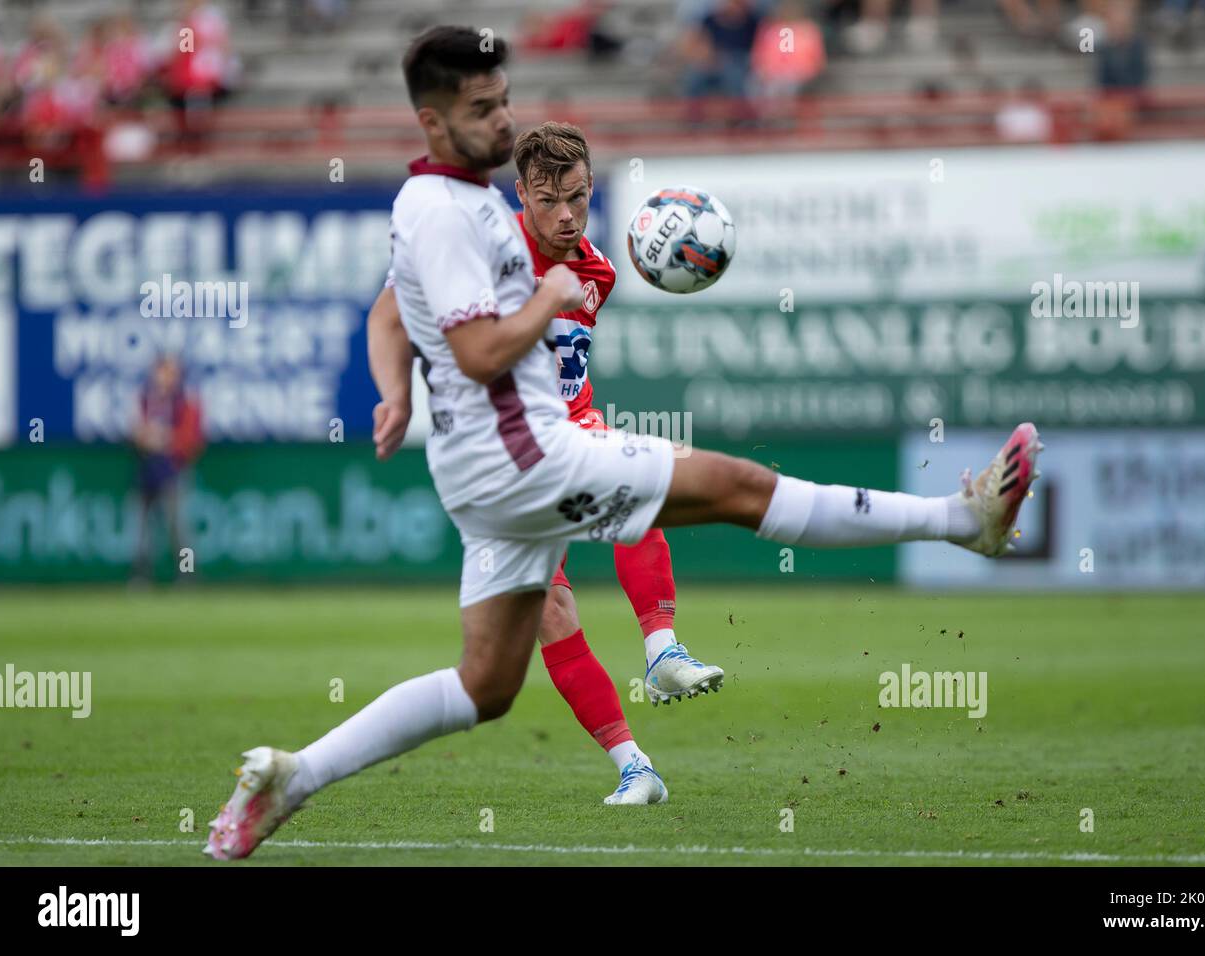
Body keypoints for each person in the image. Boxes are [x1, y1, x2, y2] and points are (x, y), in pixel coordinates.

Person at [205, 26, 1041, 861]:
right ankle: (962, 521)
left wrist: (393, 393)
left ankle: (294, 775)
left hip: (483, 472)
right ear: (431, 120)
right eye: (480, 109)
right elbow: (476, 350)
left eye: (504, 102)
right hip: (525, 454)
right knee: (737, 487)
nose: (502, 122)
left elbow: (389, 314)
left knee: (486, 686)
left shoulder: (453, 205)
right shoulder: (451, 218)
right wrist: (546, 299)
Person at [367, 120, 722, 807]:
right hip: (501, 452)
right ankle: (634, 767)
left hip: (570, 426)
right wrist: (396, 394)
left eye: (580, 198)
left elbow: (567, 372)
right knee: (552, 612)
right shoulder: (482, 247)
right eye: (550, 200)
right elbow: (405, 313)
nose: (566, 216)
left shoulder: (599, 271)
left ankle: (663, 652)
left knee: (636, 487)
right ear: (521, 194)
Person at [131, 357, 203, 583]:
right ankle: (141, 575)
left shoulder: (185, 402)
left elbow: (191, 439)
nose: (165, 378)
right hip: (148, 468)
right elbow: (136, 431)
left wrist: (165, 439)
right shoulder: (146, 400)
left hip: (174, 469)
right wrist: (148, 437)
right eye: (162, 372)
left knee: (179, 528)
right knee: (142, 529)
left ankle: (187, 574)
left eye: (170, 373)